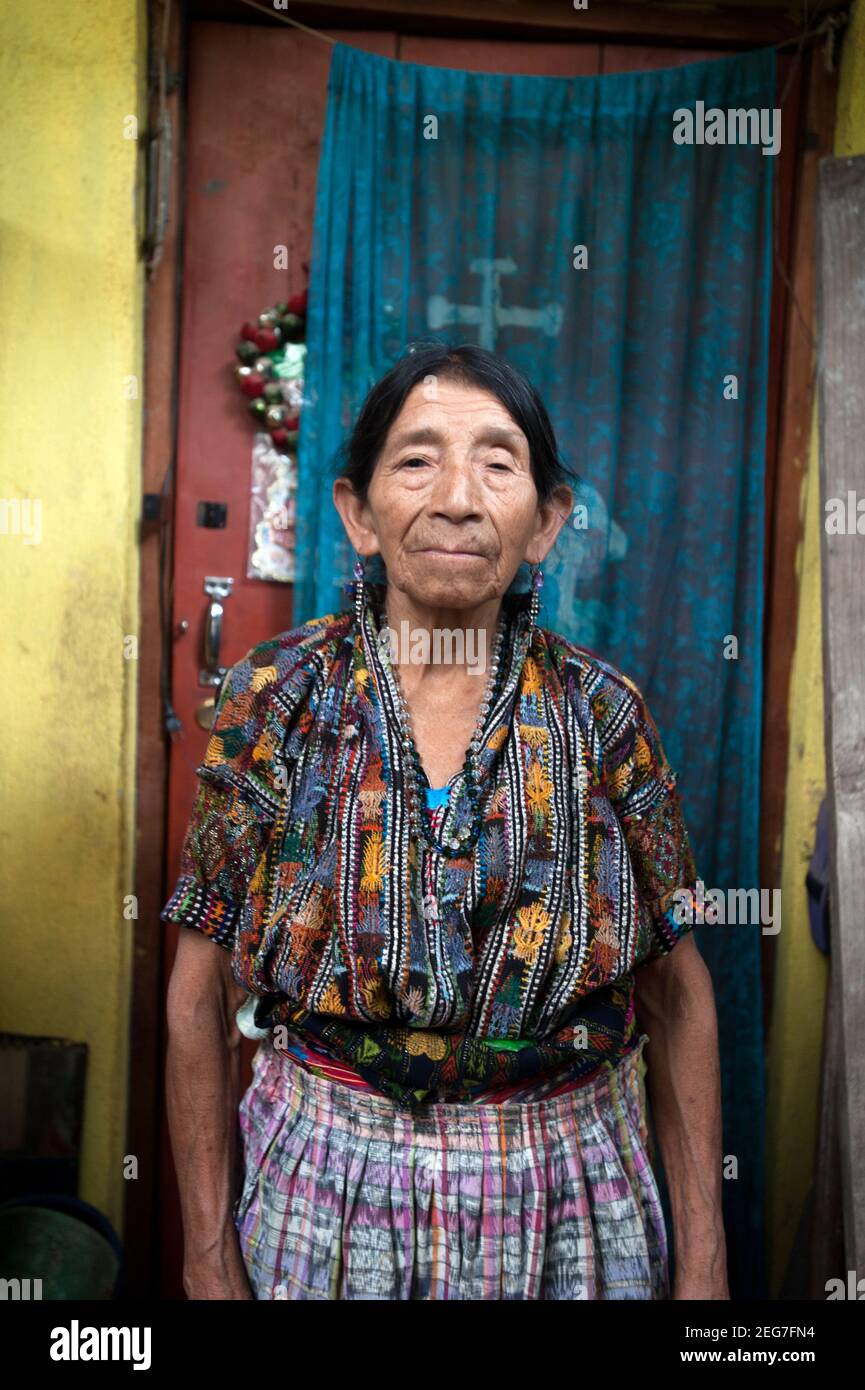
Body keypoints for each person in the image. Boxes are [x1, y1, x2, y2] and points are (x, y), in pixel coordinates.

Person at [162, 342, 728, 1301]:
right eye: (417, 460)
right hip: (325, 1186)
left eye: (498, 464)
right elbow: (197, 989)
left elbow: (678, 995)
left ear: (546, 523)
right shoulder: (277, 699)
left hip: (568, 1191)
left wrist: (704, 1265)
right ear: (357, 513)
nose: (458, 499)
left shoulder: (601, 714)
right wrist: (208, 1256)